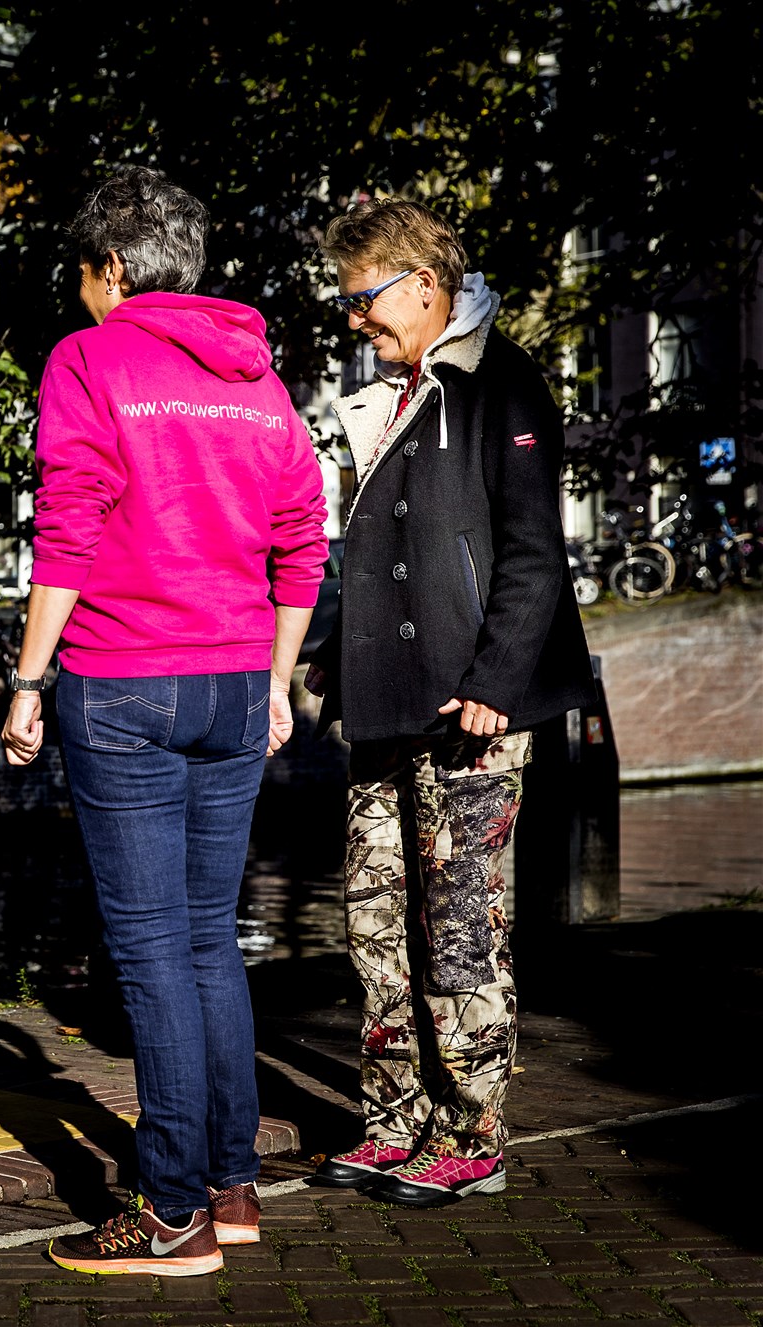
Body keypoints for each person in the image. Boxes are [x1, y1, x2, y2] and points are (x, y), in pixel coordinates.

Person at [1, 167, 328, 1276]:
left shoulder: (88, 358)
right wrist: (276, 679)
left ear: (112, 270)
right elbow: (300, 539)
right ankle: (231, 1183)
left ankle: (169, 1208)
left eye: (84, 274)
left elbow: (70, 522)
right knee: (205, 940)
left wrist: (27, 680)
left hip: (124, 679)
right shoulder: (257, 376)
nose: (82, 293)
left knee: (148, 951)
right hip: (237, 681)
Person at [302, 199, 596, 1207]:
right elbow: (383, 556)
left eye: (362, 297)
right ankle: (394, 1121)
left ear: (423, 285)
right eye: (344, 302)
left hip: (469, 709)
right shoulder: (389, 389)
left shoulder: (493, 380)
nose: (352, 318)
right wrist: (330, 656)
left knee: (460, 923)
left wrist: (494, 686)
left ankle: (471, 1136)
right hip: (384, 707)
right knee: (375, 923)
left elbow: (528, 554)